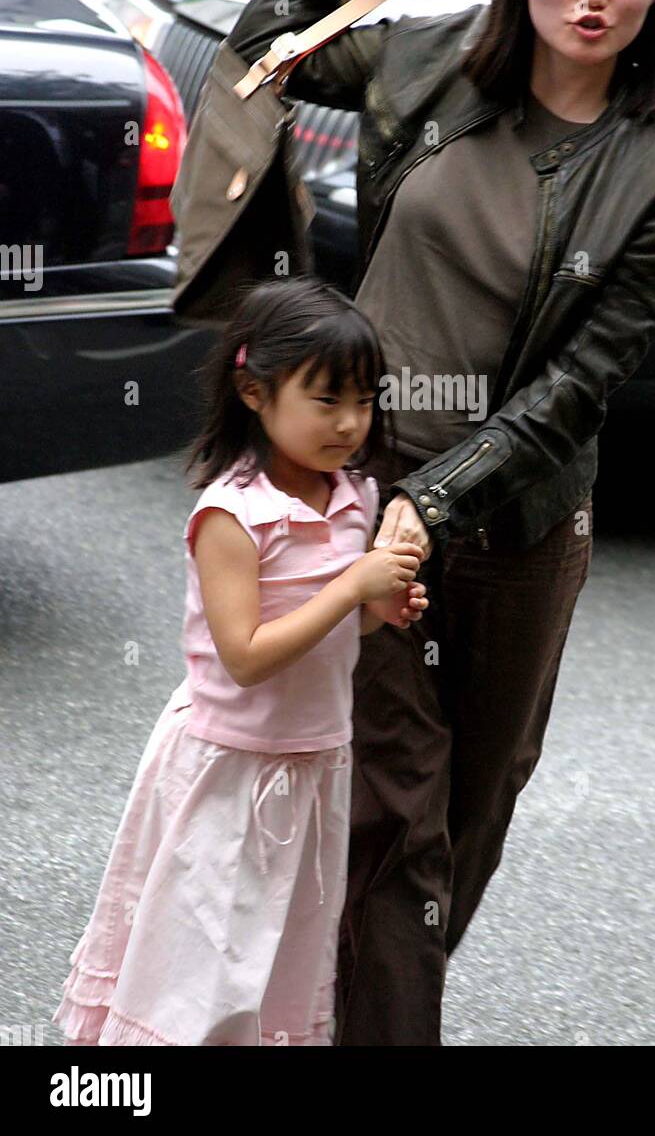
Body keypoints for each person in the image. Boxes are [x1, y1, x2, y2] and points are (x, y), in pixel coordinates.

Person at [226, 0, 655, 1046]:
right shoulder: (426, 66)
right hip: (371, 509)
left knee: (466, 824)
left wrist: (437, 503)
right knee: (398, 822)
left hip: (515, 531)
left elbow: (575, 389)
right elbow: (261, 42)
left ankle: (351, 1013)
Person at [51, 276, 428, 1046]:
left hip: (315, 763)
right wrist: (353, 584)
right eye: (326, 401)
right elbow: (248, 657)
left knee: (277, 964)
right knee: (201, 973)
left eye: (364, 400)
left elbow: (335, 629)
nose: (351, 423)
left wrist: (377, 610)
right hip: (229, 772)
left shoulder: (355, 496)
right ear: (254, 392)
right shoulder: (232, 513)